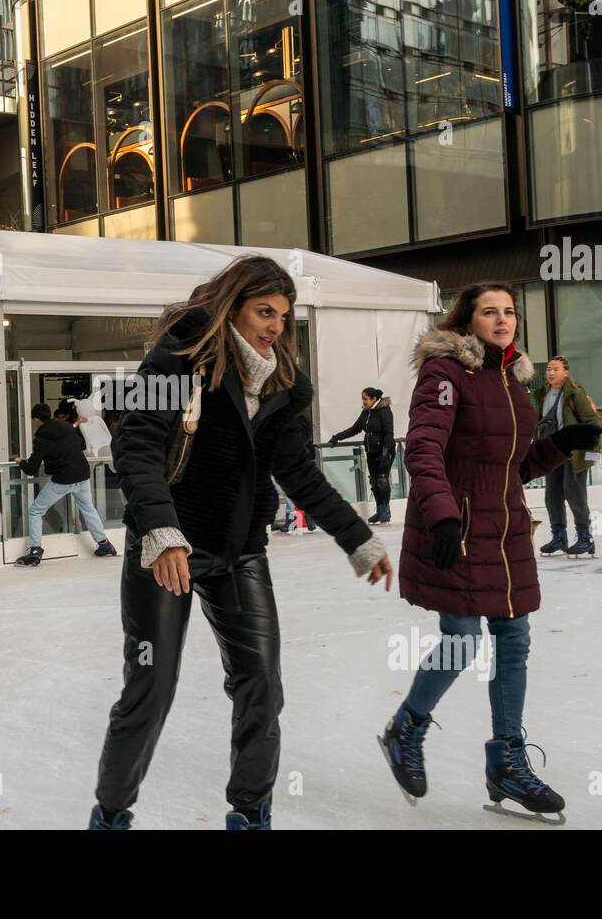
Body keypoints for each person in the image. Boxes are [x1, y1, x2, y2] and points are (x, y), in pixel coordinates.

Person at [90, 255, 393, 831]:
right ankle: (109, 815)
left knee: (261, 685)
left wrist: (357, 538)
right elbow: (137, 447)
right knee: (151, 687)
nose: (275, 325)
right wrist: (160, 531)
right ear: (232, 307)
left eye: (283, 315)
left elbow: (299, 473)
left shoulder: (283, 385)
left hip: (238, 554)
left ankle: (251, 816)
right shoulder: (178, 358)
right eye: (264, 311)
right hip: (165, 550)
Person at [380, 282, 601, 825]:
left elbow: (511, 468)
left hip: (504, 532)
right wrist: (442, 512)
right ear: (468, 319)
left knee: (514, 638)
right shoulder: (445, 374)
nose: (503, 320)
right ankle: (406, 727)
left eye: (509, 312)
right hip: (452, 527)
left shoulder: (512, 379)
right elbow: (425, 449)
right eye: (489, 312)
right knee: (461, 637)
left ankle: (506, 759)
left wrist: (559, 444)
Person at [13, 403, 117, 566]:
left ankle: (35, 551)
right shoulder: (67, 427)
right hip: (82, 475)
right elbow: (77, 446)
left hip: (63, 479)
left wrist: (21, 462)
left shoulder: (41, 437)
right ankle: (104, 544)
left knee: (35, 510)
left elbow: (31, 468)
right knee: (88, 509)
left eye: (34, 420)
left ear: (37, 419)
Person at [534, 356, 601, 557]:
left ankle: (585, 537)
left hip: (573, 453)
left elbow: (592, 420)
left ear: (566, 372)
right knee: (552, 496)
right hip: (552, 451)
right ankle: (559, 536)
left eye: (556, 369)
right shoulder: (542, 393)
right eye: (548, 369)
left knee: (574, 495)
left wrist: (590, 450)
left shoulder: (575, 393)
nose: (551, 373)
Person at [329, 386, 396, 524]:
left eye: (365, 399)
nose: (363, 402)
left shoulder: (384, 411)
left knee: (382, 480)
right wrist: (337, 437)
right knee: (374, 481)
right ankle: (379, 510)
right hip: (371, 451)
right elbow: (355, 429)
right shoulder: (366, 413)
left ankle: (386, 510)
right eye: (363, 399)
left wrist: (384, 452)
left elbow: (389, 433)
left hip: (385, 451)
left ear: (373, 399)